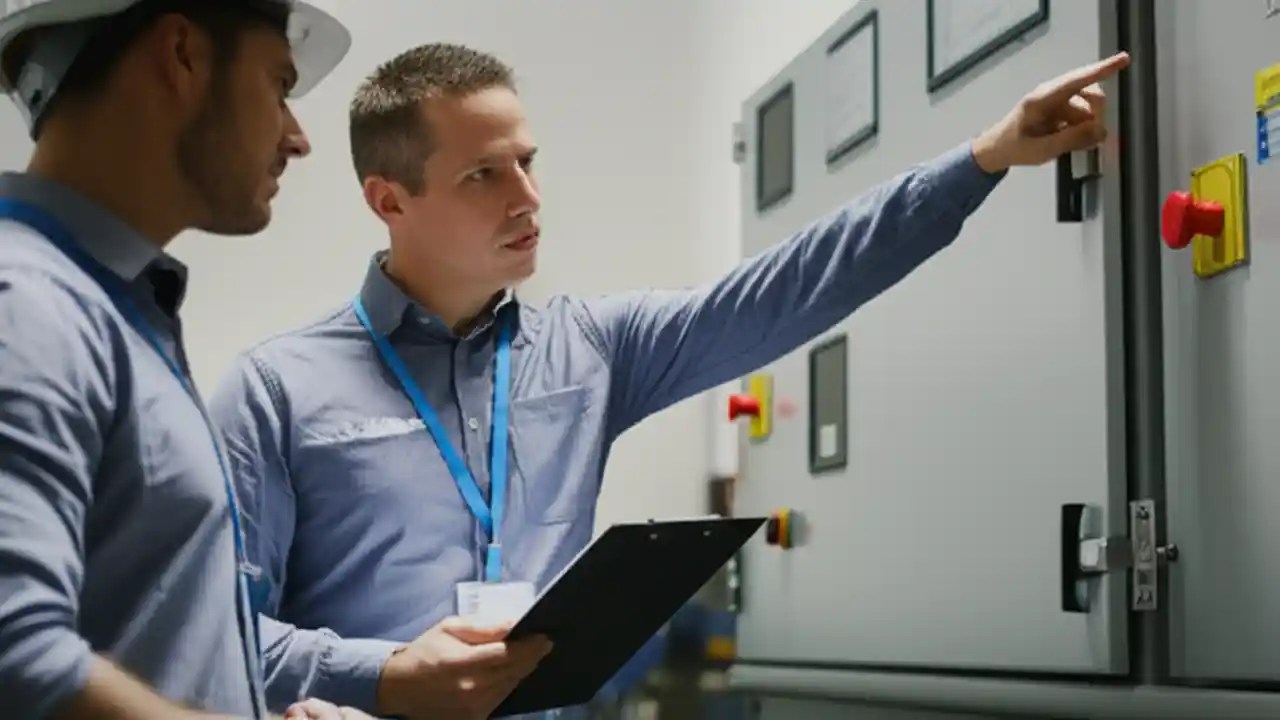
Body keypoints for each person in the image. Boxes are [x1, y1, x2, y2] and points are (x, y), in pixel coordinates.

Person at [208, 41, 1131, 718]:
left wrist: (983, 160)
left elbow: (790, 285)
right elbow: (221, 635)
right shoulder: (276, 391)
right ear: (389, 200)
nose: (528, 198)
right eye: (485, 174)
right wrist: (385, 673)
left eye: (528, 162)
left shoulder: (589, 350)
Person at [0, 1, 381, 718]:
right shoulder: (26, 307)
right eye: (278, 84)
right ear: (182, 53)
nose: (296, 139)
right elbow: (16, 659)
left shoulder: (106, 307)